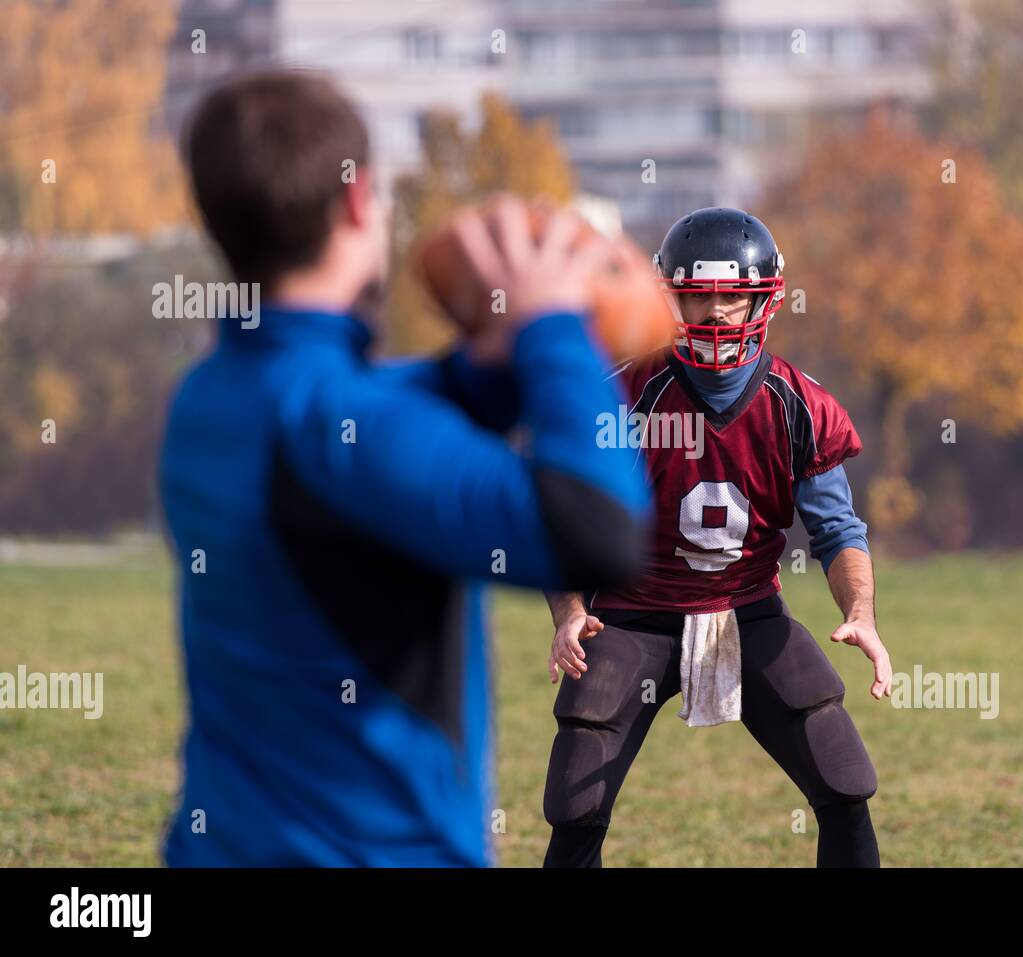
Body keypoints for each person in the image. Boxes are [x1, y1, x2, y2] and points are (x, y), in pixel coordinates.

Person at [159, 69, 649, 866]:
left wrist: (481, 370)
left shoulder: (208, 398)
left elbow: (372, 420)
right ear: (357, 202)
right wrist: (556, 328)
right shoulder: (339, 429)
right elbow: (598, 528)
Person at [541, 207, 892, 867]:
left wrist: (861, 612)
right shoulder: (624, 397)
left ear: (767, 298)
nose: (715, 310)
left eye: (733, 294)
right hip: (634, 616)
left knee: (846, 782)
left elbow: (837, 528)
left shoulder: (798, 404)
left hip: (747, 609)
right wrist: (569, 612)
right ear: (668, 297)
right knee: (576, 799)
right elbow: (565, 520)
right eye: (697, 293)